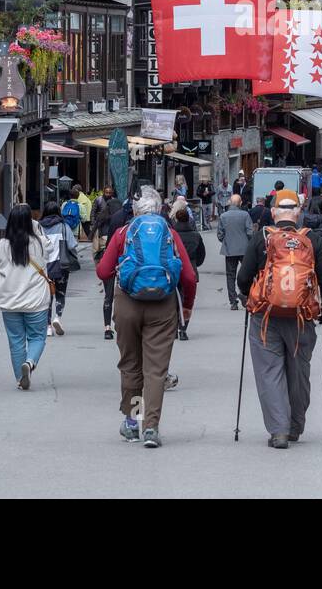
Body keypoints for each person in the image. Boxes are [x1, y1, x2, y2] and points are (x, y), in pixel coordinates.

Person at [96, 187, 197, 448]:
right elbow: (188, 277)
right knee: (155, 370)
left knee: (130, 364)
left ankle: (132, 422)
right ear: (161, 210)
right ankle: (151, 427)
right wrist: (186, 307)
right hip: (163, 306)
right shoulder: (170, 234)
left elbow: (103, 271)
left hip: (128, 303)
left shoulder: (123, 233)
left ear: (135, 211)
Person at [237, 192, 322, 449]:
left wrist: (250, 298)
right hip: (302, 317)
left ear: (273, 212)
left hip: (265, 317)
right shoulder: (311, 239)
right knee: (299, 372)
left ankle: (278, 430)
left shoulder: (262, 237)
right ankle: (295, 426)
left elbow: (243, 276)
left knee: (270, 372)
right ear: (299, 212)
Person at [0, 204, 57, 390]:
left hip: (9, 301)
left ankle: (20, 379)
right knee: (37, 337)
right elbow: (51, 250)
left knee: (15, 340)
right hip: (36, 300)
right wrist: (36, 228)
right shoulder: (39, 243)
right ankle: (30, 363)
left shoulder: (2, 246)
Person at [40, 200, 77, 336]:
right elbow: (72, 245)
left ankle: (48, 326)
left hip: (43, 267)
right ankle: (58, 317)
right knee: (60, 294)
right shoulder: (63, 226)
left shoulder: (39, 227)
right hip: (61, 265)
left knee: (47, 296)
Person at [92, 185, 123, 340]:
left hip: (107, 258)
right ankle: (121, 323)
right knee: (124, 294)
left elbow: (96, 246)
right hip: (123, 261)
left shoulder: (103, 220)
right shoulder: (124, 223)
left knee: (108, 295)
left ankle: (107, 328)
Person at [217, 193, 254, 310]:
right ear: (241, 203)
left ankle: (233, 301)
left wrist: (226, 240)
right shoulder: (245, 215)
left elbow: (220, 234)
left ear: (229, 203)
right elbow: (250, 232)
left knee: (230, 275)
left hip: (229, 249)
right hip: (245, 249)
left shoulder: (223, 216)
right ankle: (247, 295)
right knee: (248, 273)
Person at [171, 207, 204, 340]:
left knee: (172, 299)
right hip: (190, 267)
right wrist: (196, 263)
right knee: (188, 299)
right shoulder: (195, 235)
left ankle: (173, 328)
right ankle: (183, 328)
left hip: (173, 268)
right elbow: (202, 253)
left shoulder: (172, 234)